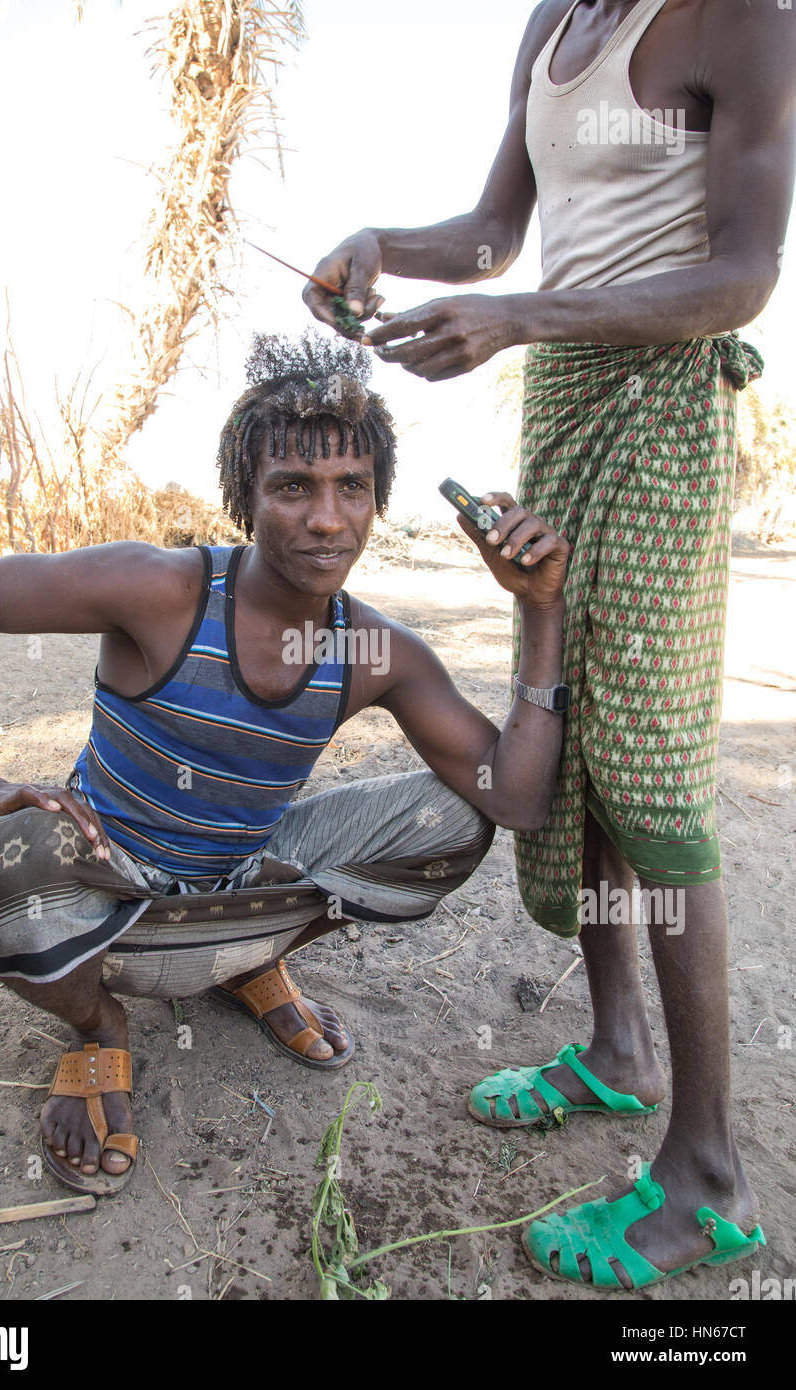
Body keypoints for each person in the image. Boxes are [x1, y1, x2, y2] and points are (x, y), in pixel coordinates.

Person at [304, 0, 793, 1289]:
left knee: (645, 774)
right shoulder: (556, 21)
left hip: (660, 414)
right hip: (568, 403)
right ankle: (617, 1047)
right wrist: (384, 247)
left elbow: (743, 276)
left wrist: (523, 318)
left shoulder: (739, 19)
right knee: (572, 745)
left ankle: (706, 1177)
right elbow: (491, 234)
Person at [0, 333, 570, 1196]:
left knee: (455, 817)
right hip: (109, 888)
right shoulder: (161, 589)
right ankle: (100, 1031)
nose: (326, 518)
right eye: (292, 487)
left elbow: (512, 798)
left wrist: (540, 610)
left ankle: (249, 960)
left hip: (239, 880)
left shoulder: (371, 650)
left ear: (377, 499)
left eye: (350, 487)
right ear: (244, 498)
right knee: (4, 857)